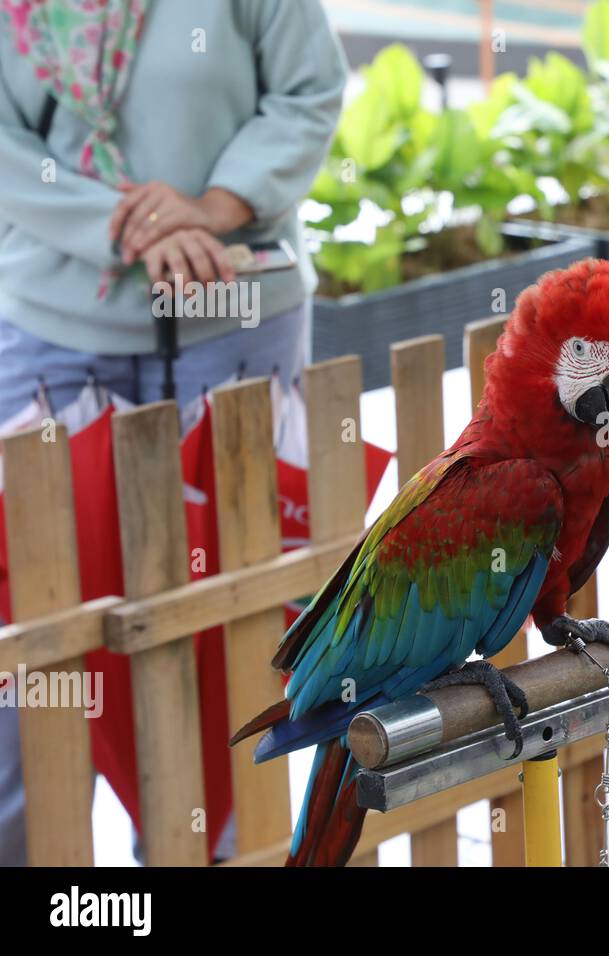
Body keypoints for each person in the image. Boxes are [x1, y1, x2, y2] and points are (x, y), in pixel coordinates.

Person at [0, 0, 348, 865]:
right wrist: (138, 227)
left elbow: (308, 89)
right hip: (51, 321)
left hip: (235, 308)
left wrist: (212, 207)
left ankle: (232, 845)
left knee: (239, 611)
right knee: (37, 627)